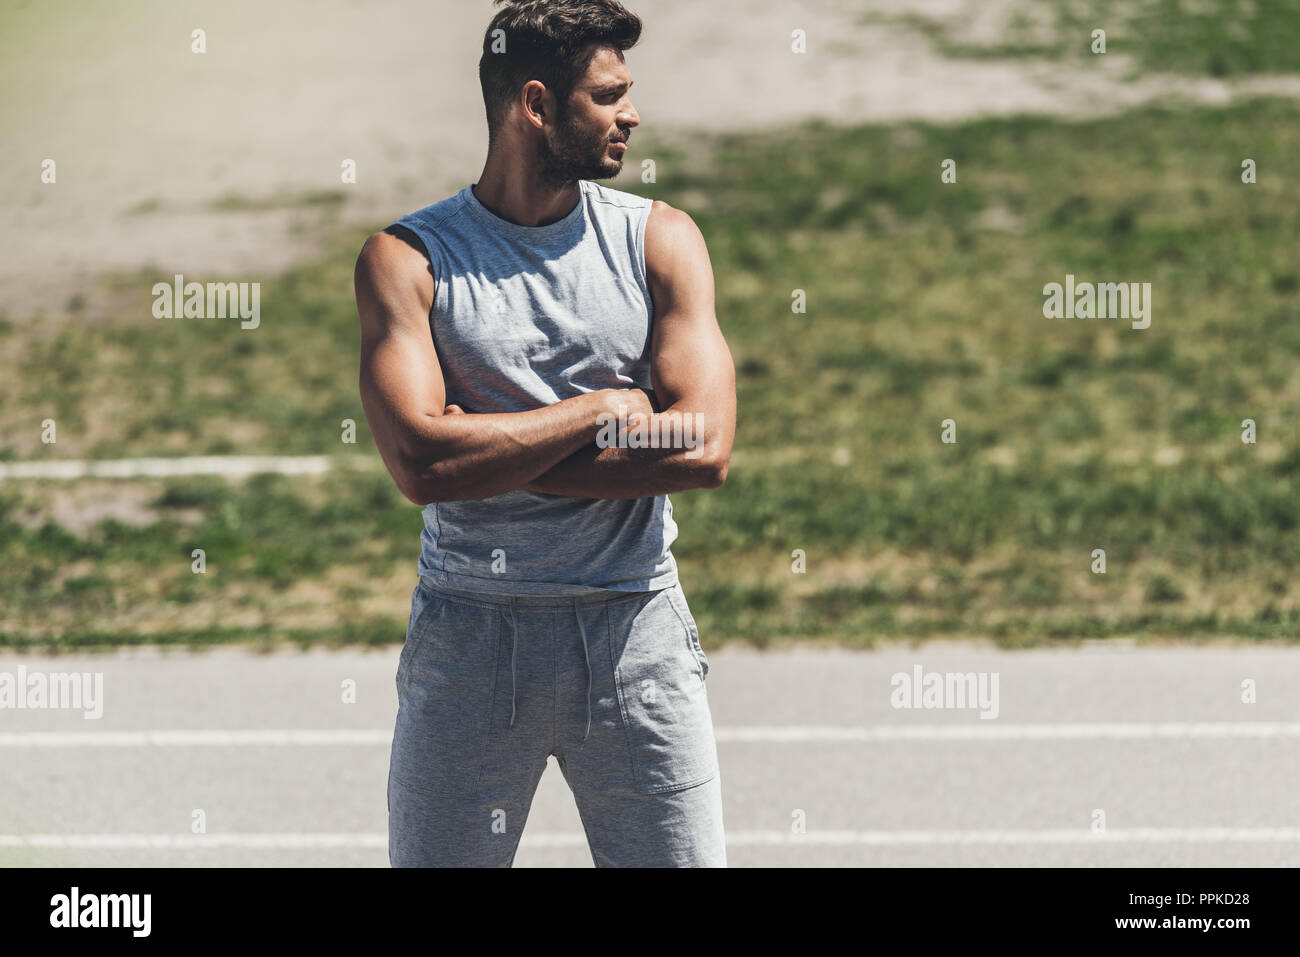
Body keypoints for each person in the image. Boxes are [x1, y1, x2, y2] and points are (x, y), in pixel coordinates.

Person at [355, 0, 735, 867]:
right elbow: (420, 462)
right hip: (470, 636)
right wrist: (598, 412)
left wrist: (482, 447)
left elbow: (703, 448)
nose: (631, 113)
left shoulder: (661, 242)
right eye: (608, 96)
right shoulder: (408, 260)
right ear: (537, 105)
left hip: (634, 627)